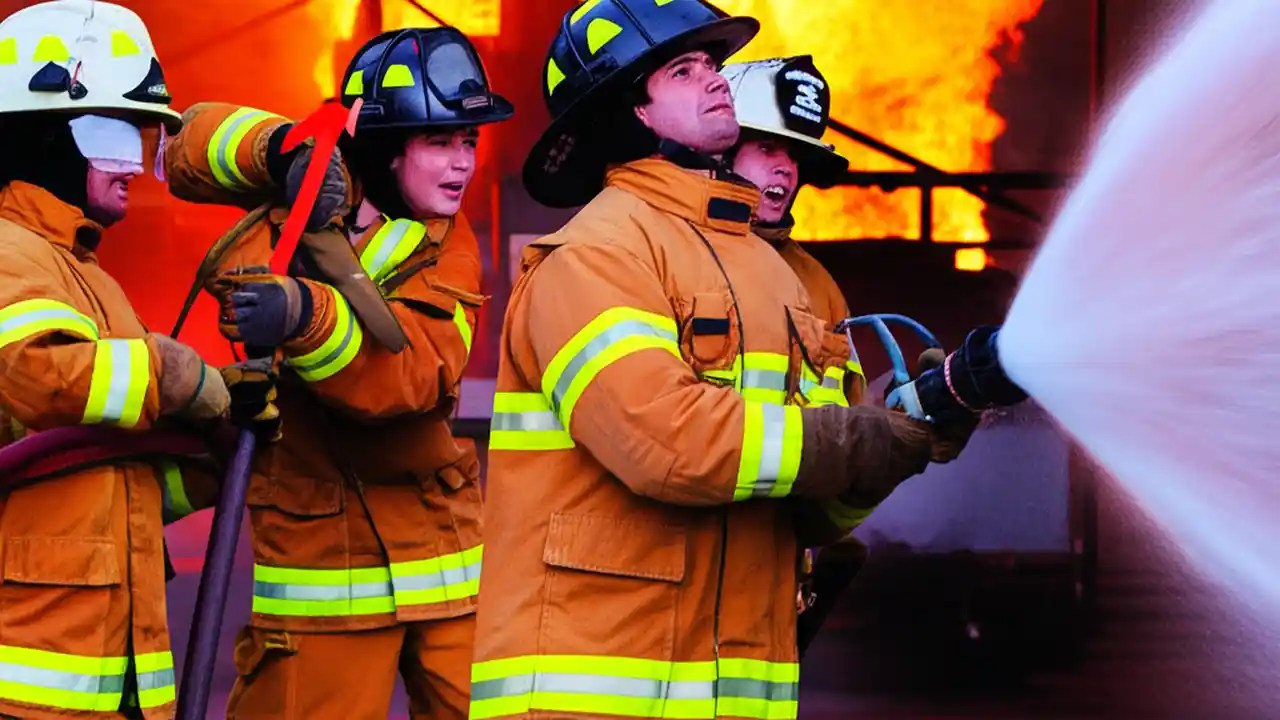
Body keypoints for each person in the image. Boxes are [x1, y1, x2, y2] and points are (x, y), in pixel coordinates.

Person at [471, 1, 979, 718]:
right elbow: (665, 442)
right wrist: (848, 438)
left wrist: (899, 440)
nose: (714, 79)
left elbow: (810, 517)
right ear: (632, 110)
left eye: (713, 63)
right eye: (684, 69)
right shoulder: (594, 257)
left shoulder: (775, 277)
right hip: (596, 694)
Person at [162, 26, 513, 720]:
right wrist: (281, 150)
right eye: (440, 141)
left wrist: (304, 315)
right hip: (321, 573)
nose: (462, 163)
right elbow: (184, 146)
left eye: (468, 142)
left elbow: (408, 378)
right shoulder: (310, 181)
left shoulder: (449, 246)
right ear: (383, 147)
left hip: (447, 574)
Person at [0, 2, 241, 717]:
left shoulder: (85, 274)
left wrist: (217, 443)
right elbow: (39, 376)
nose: (134, 164)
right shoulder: (11, 252)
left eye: (140, 138)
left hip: (117, 666)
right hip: (34, 673)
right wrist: (176, 377)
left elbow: (114, 475)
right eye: (114, 133)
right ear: (43, 135)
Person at [721, 54, 875, 654]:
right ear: (720, 151)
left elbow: (845, 441)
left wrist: (907, 431)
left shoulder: (818, 285)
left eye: (796, 156)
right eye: (766, 148)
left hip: (771, 597)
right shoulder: (664, 257)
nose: (785, 169)